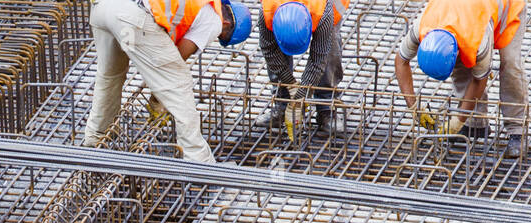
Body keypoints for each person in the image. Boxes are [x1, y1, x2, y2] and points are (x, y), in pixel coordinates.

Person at [83, 0, 253, 162]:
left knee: (110, 76)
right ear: (227, 25)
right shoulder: (215, 19)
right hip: (131, 17)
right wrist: (160, 96)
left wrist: (157, 84)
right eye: (222, 37)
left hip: (103, 9)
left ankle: (96, 137)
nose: (217, 37)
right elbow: (179, 57)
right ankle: (199, 160)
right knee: (180, 83)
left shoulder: (201, 5)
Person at [394, 0, 528, 159]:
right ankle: (475, 123)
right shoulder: (421, 26)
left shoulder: (479, 40)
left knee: (510, 65)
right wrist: (413, 106)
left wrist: (458, 119)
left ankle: (517, 132)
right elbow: (401, 61)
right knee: (463, 64)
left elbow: (479, 80)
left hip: (508, 7)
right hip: (467, 14)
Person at [255, 0, 348, 139]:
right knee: (276, 45)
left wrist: (301, 94)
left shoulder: (323, 12)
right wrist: (291, 85)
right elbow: (270, 50)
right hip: (281, 12)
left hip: (326, 6)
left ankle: (326, 107)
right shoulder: (268, 12)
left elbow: (318, 58)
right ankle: (283, 103)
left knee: (330, 48)